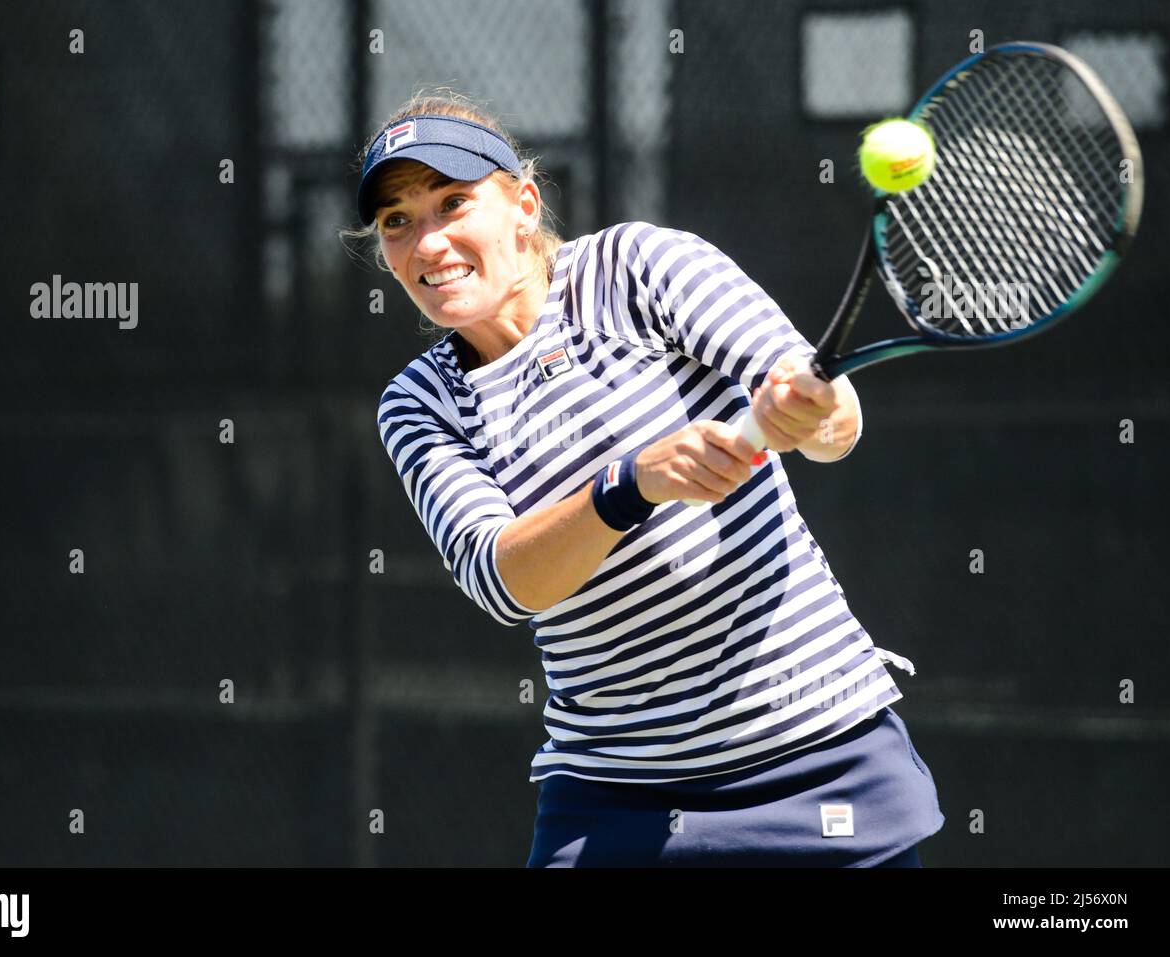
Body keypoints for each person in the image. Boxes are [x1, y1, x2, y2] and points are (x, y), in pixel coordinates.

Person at [350, 91, 945, 867]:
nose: (428, 242)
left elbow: (835, 420)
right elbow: (506, 580)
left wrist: (809, 414)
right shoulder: (419, 403)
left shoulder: (640, 265)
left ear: (523, 204)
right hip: (617, 801)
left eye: (453, 202)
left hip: (817, 755)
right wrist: (629, 485)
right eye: (398, 220)